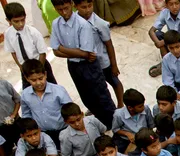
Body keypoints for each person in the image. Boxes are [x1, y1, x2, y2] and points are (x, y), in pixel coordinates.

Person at [49, 0, 116, 128]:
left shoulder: (83, 24)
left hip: (89, 66)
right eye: (60, 10)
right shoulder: (56, 24)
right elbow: (55, 51)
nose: (64, 12)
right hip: (73, 66)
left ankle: (114, 125)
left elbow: (87, 53)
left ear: (71, 4)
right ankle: (100, 123)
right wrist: (75, 52)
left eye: (66, 8)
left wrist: (62, 48)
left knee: (101, 96)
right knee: (86, 96)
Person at [3, 2, 57, 88]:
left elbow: (42, 52)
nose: (20, 24)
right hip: (25, 67)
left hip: (40, 64)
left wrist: (39, 70)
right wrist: (21, 68)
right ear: (8, 20)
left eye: (22, 20)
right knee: (28, 90)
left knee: (51, 87)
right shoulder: (8, 34)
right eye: (16, 21)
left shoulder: (33, 32)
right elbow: (13, 52)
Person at [19, 61, 71, 147]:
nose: (38, 83)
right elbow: (26, 115)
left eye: (40, 78)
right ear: (27, 78)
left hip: (64, 131)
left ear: (45, 74)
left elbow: (70, 110)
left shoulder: (59, 90)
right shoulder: (25, 95)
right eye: (33, 80)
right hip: (42, 135)